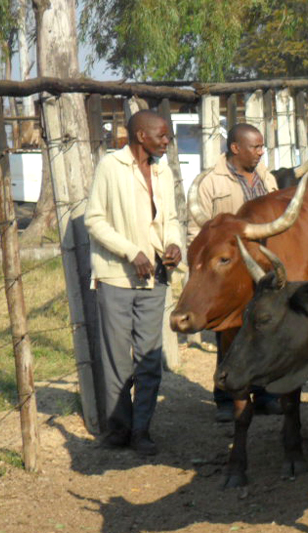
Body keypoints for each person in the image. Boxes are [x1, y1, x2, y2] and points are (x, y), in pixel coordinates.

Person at [85, 110, 183, 456]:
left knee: (149, 358)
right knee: (116, 360)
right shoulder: (111, 167)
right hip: (116, 276)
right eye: (163, 135)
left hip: (155, 277)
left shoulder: (163, 170)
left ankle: (142, 430)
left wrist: (174, 245)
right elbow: (94, 220)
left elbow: (170, 219)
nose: (167, 141)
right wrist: (131, 252)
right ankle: (119, 428)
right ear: (141, 136)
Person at [186, 123, 280, 423]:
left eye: (262, 146)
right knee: (227, 333)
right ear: (236, 148)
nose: (260, 152)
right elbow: (196, 232)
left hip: (259, 268)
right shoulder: (211, 183)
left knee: (263, 330)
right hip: (225, 271)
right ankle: (226, 396)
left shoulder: (267, 177)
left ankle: (264, 392)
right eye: (255, 147)